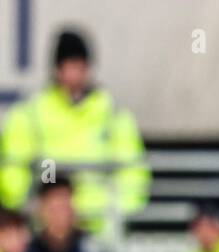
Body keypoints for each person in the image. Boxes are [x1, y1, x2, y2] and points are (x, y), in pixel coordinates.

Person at [0, 29, 149, 226]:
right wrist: (26, 206)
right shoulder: (32, 114)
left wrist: (119, 209)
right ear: (57, 69)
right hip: (46, 224)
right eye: (69, 65)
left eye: (80, 65)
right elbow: (13, 167)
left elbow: (132, 169)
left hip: (98, 221)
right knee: (49, 172)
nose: (75, 73)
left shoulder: (112, 114)